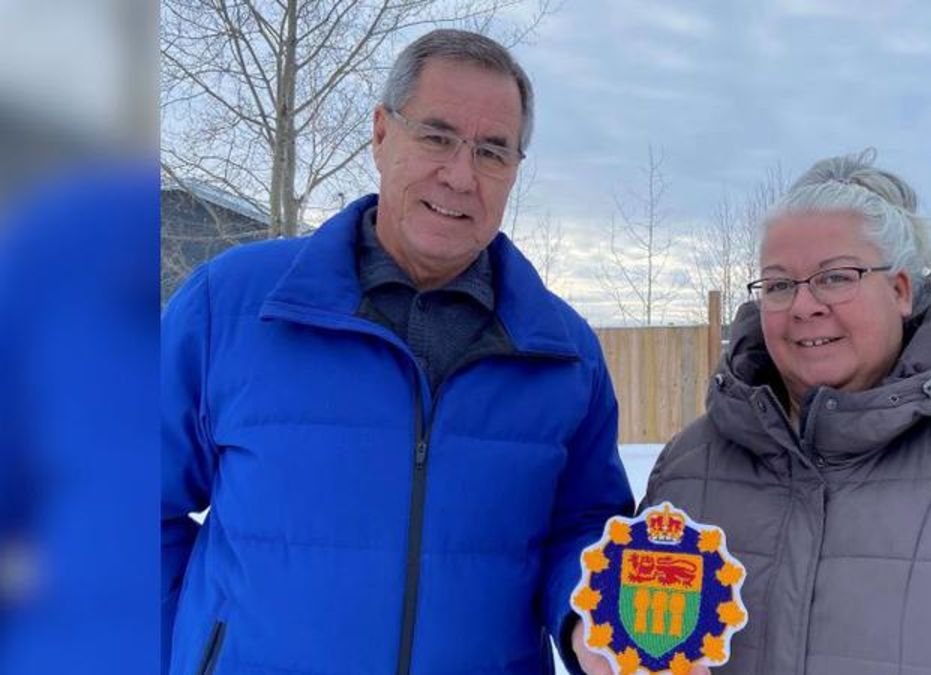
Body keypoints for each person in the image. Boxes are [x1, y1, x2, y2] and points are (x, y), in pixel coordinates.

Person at [161, 29, 633, 675]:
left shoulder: (563, 352)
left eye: (492, 151)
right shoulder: (231, 304)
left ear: (515, 169)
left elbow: (584, 521)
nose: (461, 175)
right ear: (382, 135)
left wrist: (588, 615)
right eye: (437, 137)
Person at [641, 150, 931, 674]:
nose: (805, 306)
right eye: (779, 284)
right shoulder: (690, 469)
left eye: (836, 277)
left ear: (899, 290)